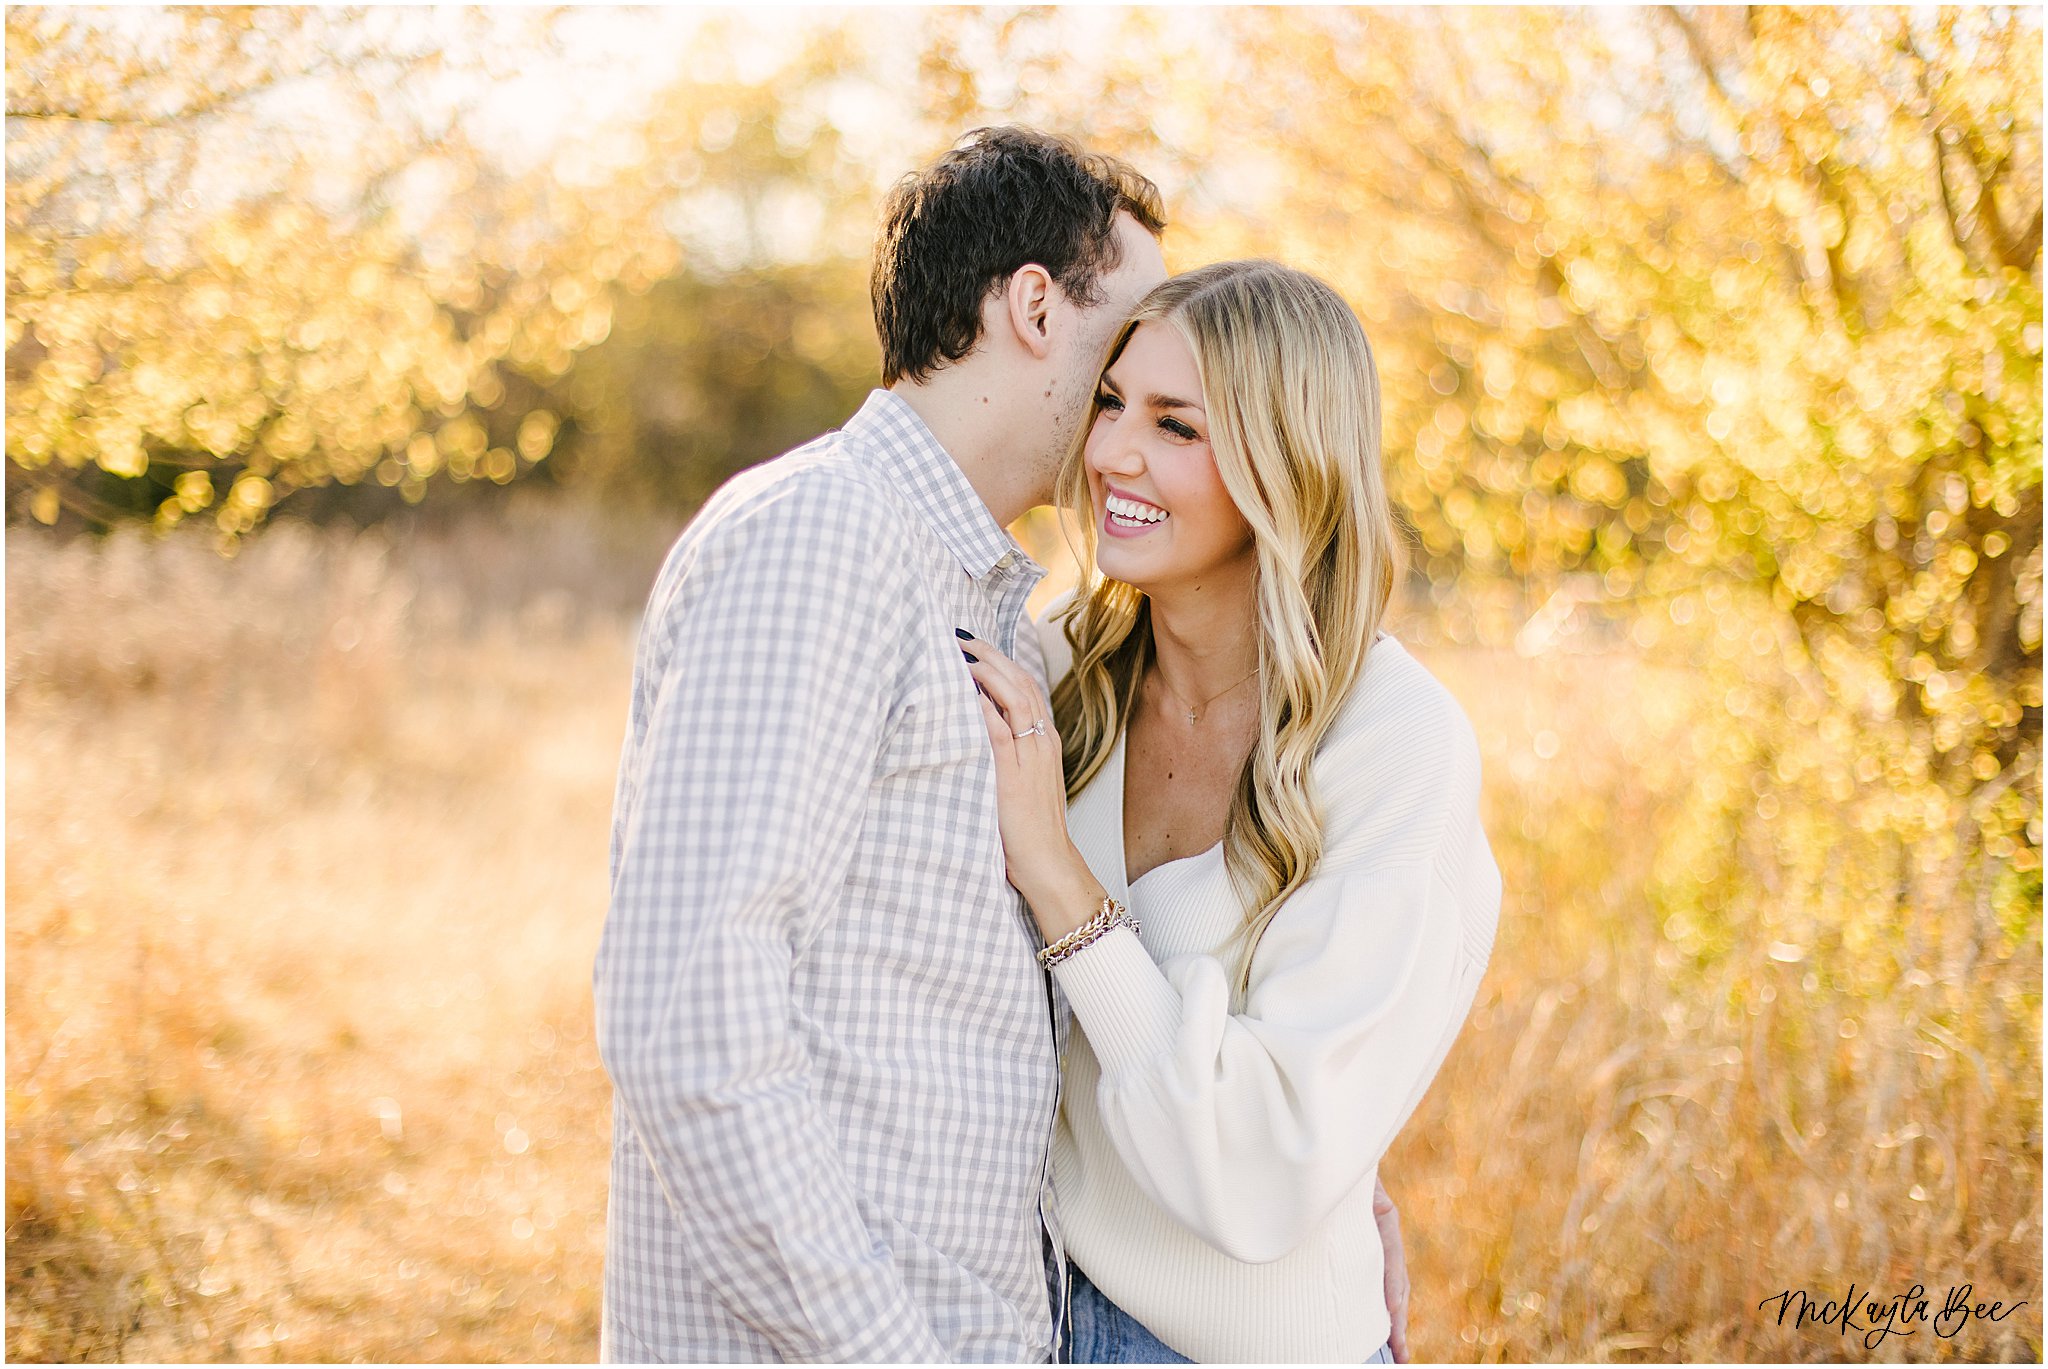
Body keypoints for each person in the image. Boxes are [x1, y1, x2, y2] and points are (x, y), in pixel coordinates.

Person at [591, 125, 1169, 1362]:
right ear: (1031, 307)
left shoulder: (976, 592)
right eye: (1128, 335)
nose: (1152, 386)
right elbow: (688, 1016)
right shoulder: (824, 541)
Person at [959, 260, 1502, 1363]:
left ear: (1286, 463)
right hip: (1036, 1315)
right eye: (1110, 403)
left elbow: (1264, 1166)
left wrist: (1057, 878)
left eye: (1176, 427)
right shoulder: (1057, 672)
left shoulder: (1394, 747)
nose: (1112, 452)